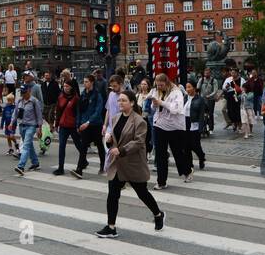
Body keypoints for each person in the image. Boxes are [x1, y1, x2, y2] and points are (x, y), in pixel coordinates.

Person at [95, 90, 166, 238]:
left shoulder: (140, 121)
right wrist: (109, 142)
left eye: (124, 100)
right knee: (113, 195)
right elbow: (114, 141)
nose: (120, 103)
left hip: (133, 164)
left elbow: (139, 143)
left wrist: (120, 150)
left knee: (142, 193)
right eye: (119, 100)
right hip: (118, 164)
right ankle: (111, 227)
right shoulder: (115, 118)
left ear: (132, 103)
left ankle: (158, 214)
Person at [149, 73, 192, 188]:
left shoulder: (177, 92)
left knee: (177, 152)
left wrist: (161, 102)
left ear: (167, 83)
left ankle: (187, 171)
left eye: (161, 85)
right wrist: (154, 103)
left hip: (175, 127)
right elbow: (153, 108)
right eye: (157, 85)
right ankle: (161, 182)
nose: (159, 87)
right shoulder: (156, 90)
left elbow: (176, 109)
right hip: (160, 125)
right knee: (160, 154)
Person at [72, 74, 106, 176]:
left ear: (91, 82)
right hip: (84, 124)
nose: (85, 83)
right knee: (83, 147)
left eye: (86, 81)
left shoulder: (97, 95)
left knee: (99, 145)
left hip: (95, 124)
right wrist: (78, 124)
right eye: (84, 81)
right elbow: (79, 111)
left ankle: (102, 165)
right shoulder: (82, 95)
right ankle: (79, 169)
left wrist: (88, 122)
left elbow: (98, 110)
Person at [12, 82, 43, 175]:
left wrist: (39, 128)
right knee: (29, 145)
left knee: (25, 146)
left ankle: (21, 166)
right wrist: (11, 123)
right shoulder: (19, 101)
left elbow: (39, 115)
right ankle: (35, 163)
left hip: (31, 126)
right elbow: (15, 113)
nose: (22, 94)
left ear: (29, 91)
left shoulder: (34, 101)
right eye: (21, 92)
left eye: (24, 92)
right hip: (22, 126)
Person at [51, 79, 79, 175]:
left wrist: (78, 124)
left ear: (71, 87)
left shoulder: (75, 98)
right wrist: (56, 124)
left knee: (78, 144)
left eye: (67, 86)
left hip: (73, 125)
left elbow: (78, 113)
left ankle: (83, 160)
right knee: (61, 146)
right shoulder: (61, 97)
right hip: (63, 125)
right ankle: (60, 167)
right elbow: (58, 112)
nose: (65, 88)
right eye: (64, 86)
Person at [184, 81, 207, 170]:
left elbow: (201, 115)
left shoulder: (200, 99)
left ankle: (201, 157)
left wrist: (201, 128)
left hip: (195, 124)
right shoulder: (185, 97)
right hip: (185, 123)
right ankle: (189, 165)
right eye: (186, 87)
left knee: (195, 145)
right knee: (186, 146)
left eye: (189, 87)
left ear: (194, 88)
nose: (187, 89)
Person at [196, 67, 219, 136]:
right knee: (202, 113)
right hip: (202, 99)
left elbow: (215, 90)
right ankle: (203, 126)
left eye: (208, 73)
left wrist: (210, 95)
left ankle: (211, 128)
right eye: (205, 73)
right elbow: (197, 88)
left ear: (210, 73)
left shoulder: (214, 80)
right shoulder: (201, 79)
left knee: (210, 113)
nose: (206, 74)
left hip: (210, 99)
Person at [221, 69, 243, 134]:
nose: (232, 74)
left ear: (237, 73)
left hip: (238, 97)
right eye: (232, 73)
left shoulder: (242, 79)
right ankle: (234, 124)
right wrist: (226, 87)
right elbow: (223, 88)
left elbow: (243, 88)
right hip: (230, 97)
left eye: (234, 73)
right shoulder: (228, 79)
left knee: (238, 111)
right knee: (231, 111)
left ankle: (239, 126)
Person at [0, 91, 19, 156]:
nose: (9, 102)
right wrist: (2, 125)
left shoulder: (15, 107)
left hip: (13, 124)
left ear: (13, 100)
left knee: (11, 136)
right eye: (8, 100)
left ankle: (16, 144)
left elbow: (16, 116)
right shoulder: (5, 107)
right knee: (8, 137)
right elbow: (3, 117)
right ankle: (10, 148)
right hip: (7, 124)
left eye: (10, 100)